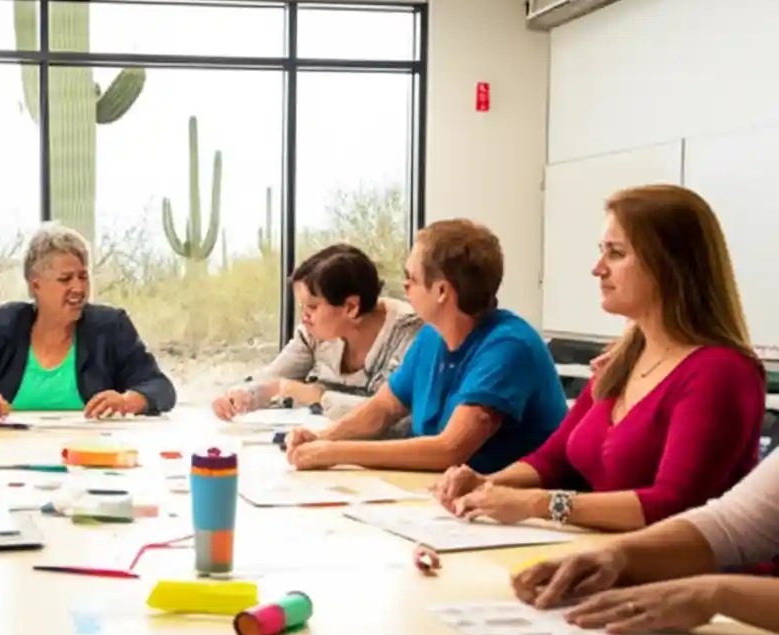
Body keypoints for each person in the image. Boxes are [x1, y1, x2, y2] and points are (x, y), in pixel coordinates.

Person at [434, 185, 763, 531]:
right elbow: (553, 459)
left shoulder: (721, 373)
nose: (597, 268)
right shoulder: (623, 359)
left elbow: (673, 504)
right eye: (601, 251)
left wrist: (537, 504)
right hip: (608, 555)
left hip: (687, 578)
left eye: (616, 253)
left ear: (671, 266)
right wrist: (487, 484)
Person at [284, 218, 566, 474]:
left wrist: (335, 452)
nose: (405, 287)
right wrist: (322, 438)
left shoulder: (508, 346)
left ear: (441, 291)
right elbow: (383, 408)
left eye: (412, 278)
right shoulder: (432, 336)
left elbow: (449, 450)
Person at [511, 449, 779, 635]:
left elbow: (667, 502)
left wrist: (719, 594)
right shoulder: (614, 373)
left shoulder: (719, 370)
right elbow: (731, 523)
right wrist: (619, 554)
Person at [0, 224, 176, 423]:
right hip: (5, 460)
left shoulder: (110, 326)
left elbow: (161, 388)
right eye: (65, 279)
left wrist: (127, 401)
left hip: (91, 462)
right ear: (35, 284)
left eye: (83, 276)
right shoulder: (0, 326)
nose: (78, 288)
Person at [212, 244, 422, 423]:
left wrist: (316, 395)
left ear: (351, 307)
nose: (304, 317)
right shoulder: (313, 334)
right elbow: (274, 378)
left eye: (312, 307)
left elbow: (394, 418)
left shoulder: (410, 336)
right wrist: (241, 394)